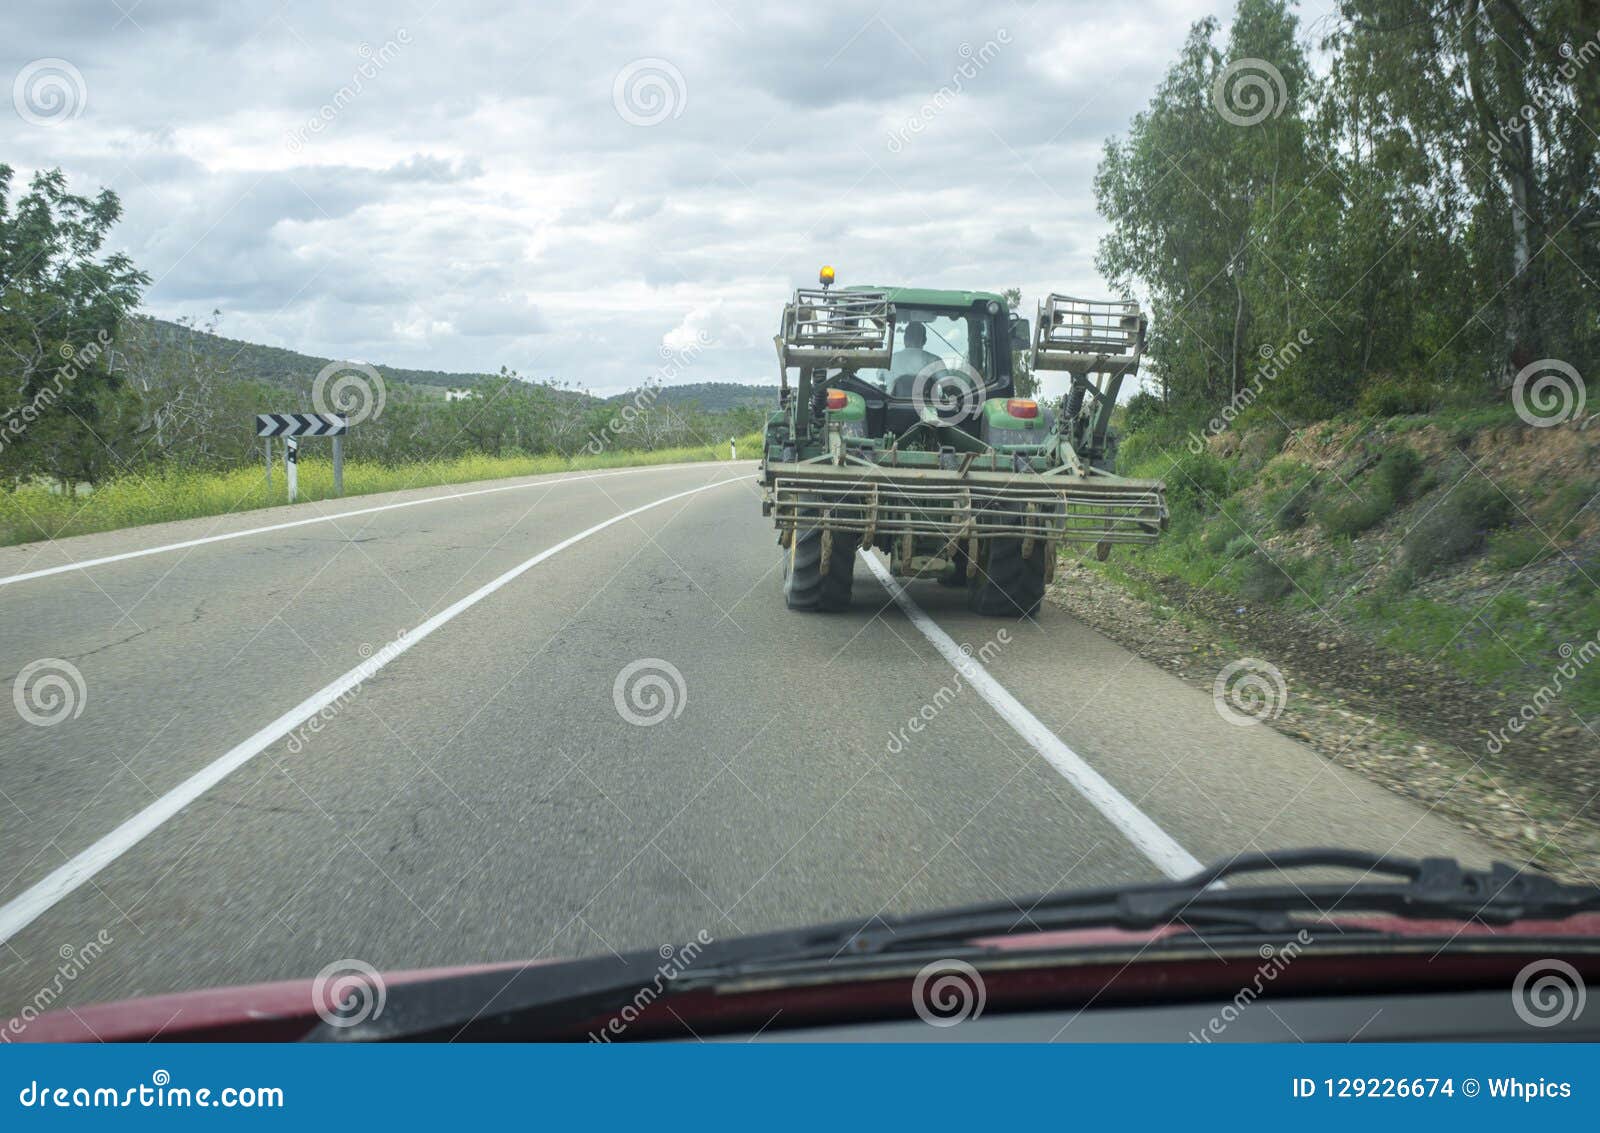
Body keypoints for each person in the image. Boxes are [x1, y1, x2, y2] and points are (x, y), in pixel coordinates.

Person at [888, 322, 941, 394]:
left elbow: (879, 375)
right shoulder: (935, 360)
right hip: (927, 404)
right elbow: (947, 383)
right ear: (925, 340)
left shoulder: (890, 359)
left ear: (904, 339)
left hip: (891, 403)